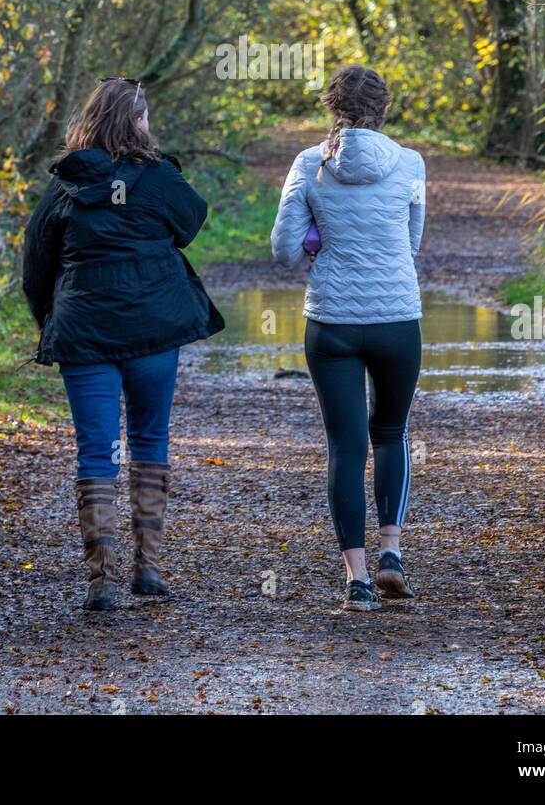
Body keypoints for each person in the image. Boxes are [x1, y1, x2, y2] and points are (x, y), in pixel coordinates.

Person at [22, 77, 224, 611]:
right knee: (150, 438)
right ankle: (149, 570)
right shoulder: (157, 178)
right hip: (154, 329)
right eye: (145, 117)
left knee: (96, 449)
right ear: (135, 122)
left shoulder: (65, 185)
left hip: (84, 330)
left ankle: (103, 580)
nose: (150, 125)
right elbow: (190, 223)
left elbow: (36, 262)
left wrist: (44, 318)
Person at [270, 65, 425, 611]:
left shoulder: (309, 165)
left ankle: (357, 581)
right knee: (391, 431)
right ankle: (392, 554)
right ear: (385, 108)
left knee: (345, 444)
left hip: (332, 320)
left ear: (331, 107)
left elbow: (285, 251)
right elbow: (411, 243)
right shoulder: (410, 163)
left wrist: (319, 239)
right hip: (396, 319)